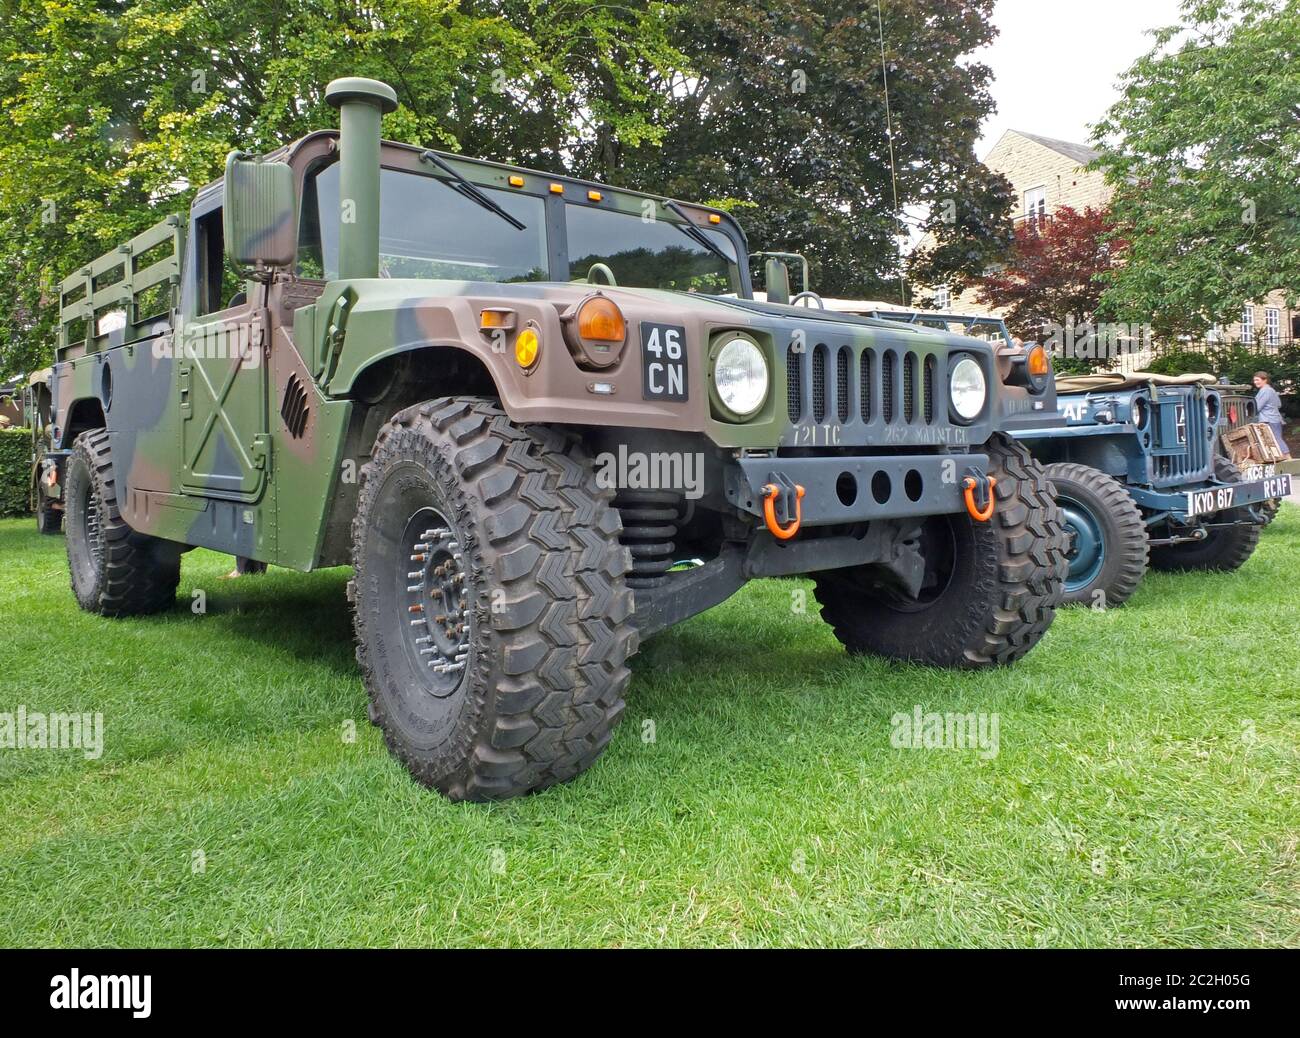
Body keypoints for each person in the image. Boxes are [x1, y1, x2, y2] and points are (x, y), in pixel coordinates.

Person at [1252, 370, 1292, 459]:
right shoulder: (1271, 390)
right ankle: (1284, 460)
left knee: (1276, 440)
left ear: (1265, 380)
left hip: (1268, 419)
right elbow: (1279, 404)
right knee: (1275, 439)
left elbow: (1257, 407)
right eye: (1254, 380)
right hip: (1275, 419)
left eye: (1257, 380)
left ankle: (1289, 459)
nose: (1255, 382)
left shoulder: (1265, 390)